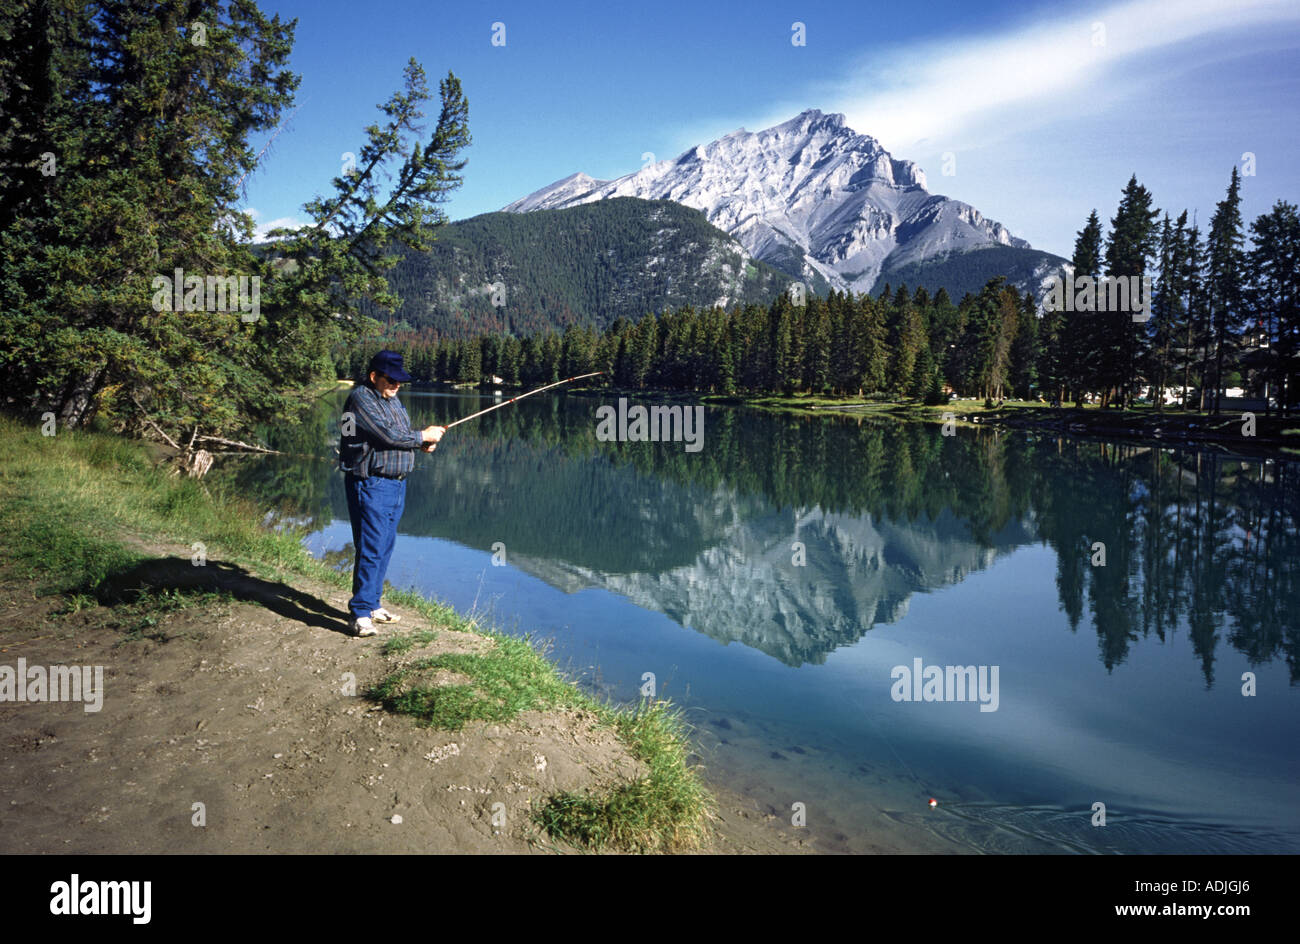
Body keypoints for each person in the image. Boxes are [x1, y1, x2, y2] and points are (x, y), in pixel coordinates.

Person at [338, 350, 444, 637]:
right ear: (374, 377)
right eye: (391, 379)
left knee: (384, 546)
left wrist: (419, 443)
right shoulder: (361, 399)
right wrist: (422, 436)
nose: (397, 385)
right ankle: (359, 613)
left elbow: (399, 435)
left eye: (400, 380)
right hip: (371, 483)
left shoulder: (392, 400)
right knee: (371, 547)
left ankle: (372, 603)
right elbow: (386, 435)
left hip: (396, 483)